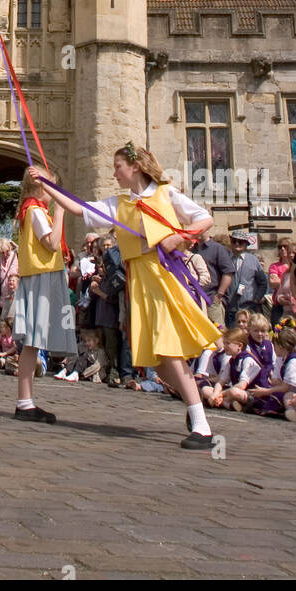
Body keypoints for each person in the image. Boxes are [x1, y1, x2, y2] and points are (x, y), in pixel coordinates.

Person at [40, 141, 221, 449]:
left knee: (170, 350)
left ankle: (202, 425)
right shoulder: (119, 204)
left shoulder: (166, 194)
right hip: (139, 283)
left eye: (118, 167)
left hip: (164, 278)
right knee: (160, 361)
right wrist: (45, 183)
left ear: (134, 166)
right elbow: (77, 207)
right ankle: (195, 402)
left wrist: (178, 237)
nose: (114, 173)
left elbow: (204, 218)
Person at [12, 168, 76, 422]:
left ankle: (25, 400)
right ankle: (24, 402)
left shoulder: (33, 210)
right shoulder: (37, 211)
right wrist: (60, 213)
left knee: (33, 342)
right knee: (31, 341)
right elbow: (51, 243)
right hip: (40, 278)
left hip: (41, 277)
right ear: (42, 189)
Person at [246, 322, 296, 417]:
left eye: (274, 345)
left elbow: (285, 387)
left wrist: (265, 391)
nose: (273, 348)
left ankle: (295, 413)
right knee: (271, 395)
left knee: (278, 396)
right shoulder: (284, 359)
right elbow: (277, 382)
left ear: (281, 346)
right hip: (292, 391)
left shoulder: (293, 363)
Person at [89, 234, 126, 385]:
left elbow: (113, 298)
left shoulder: (115, 277)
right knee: (103, 348)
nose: (101, 267)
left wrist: (99, 292)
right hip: (100, 318)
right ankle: (106, 371)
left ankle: (115, 373)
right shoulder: (101, 279)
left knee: (112, 348)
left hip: (111, 319)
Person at [191, 225, 234, 328]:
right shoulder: (193, 249)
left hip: (211, 298)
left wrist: (219, 295)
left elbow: (228, 273)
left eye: (200, 229)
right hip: (194, 298)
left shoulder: (218, 249)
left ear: (207, 230)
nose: (197, 232)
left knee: (218, 331)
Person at [226, 229, 268, 325]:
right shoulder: (225, 259)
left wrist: (256, 299)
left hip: (249, 307)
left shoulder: (253, 260)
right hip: (230, 308)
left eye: (240, 242)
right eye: (234, 241)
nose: (237, 244)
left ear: (246, 244)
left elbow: (263, 283)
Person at [267, 241, 295, 325]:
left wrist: (281, 281)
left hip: (294, 306)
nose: (282, 249)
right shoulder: (274, 266)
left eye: (285, 246)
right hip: (279, 305)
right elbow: (273, 283)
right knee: (277, 332)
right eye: (280, 247)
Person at [0, 236, 19, 323]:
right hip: (2, 301)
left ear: (10, 248)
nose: (5, 254)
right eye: (2, 252)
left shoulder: (16, 256)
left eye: (7, 251)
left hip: (14, 299)